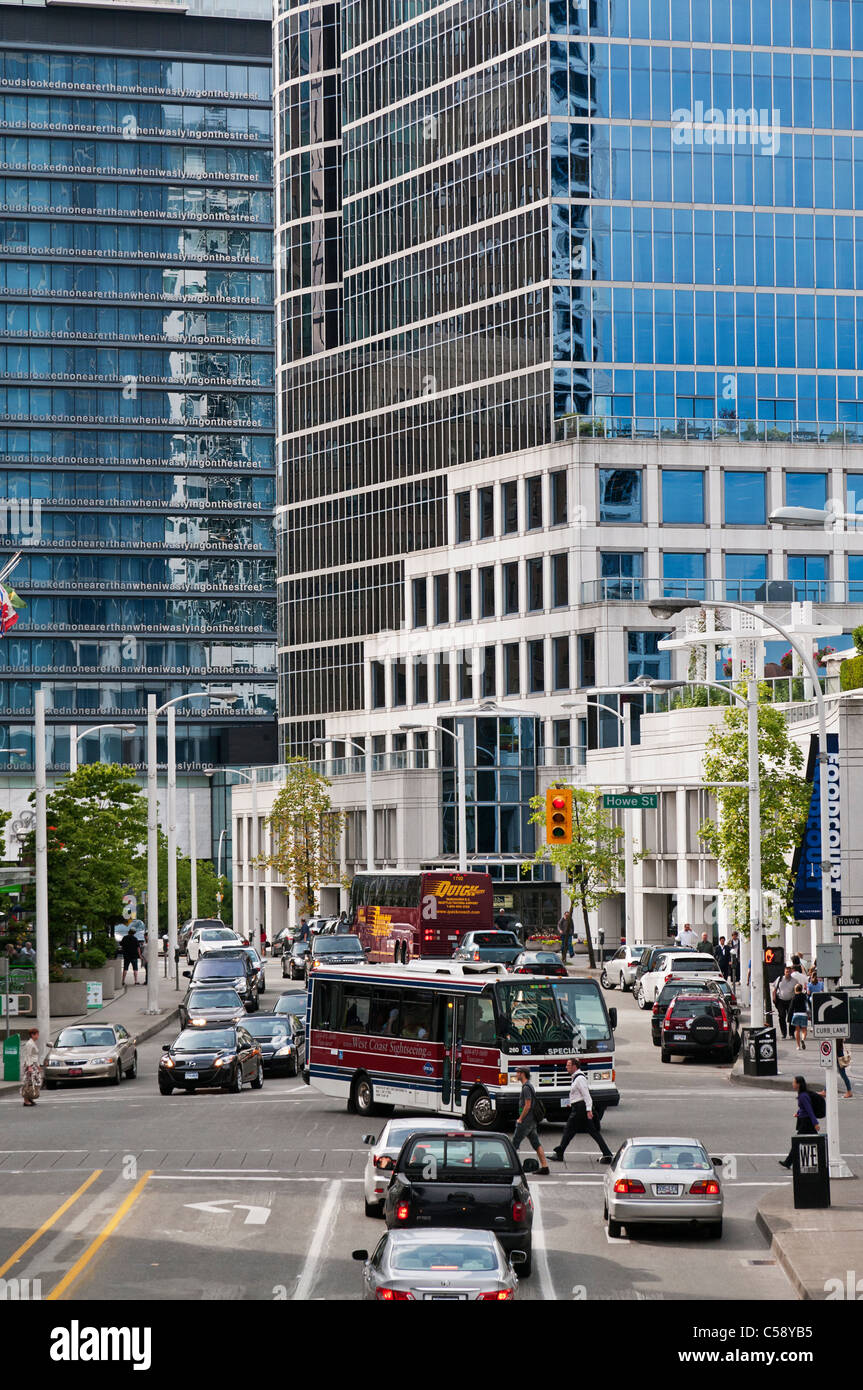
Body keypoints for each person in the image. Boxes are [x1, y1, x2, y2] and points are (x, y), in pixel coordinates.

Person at [549, 1058, 612, 1164]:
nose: (566, 1067)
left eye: (568, 1065)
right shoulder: (575, 1078)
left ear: (574, 1066)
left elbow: (586, 1095)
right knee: (588, 1131)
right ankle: (607, 1153)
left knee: (569, 1129)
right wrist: (572, 1102)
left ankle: (560, 1152)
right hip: (578, 1107)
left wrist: (588, 1110)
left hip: (580, 1109)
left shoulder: (580, 1079)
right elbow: (577, 1094)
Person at [511, 1068, 550, 1174]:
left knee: (514, 1144)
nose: (516, 1074)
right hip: (531, 1120)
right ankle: (545, 1167)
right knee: (536, 1143)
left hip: (526, 1121)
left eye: (518, 1073)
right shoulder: (528, 1086)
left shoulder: (526, 1088)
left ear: (522, 1074)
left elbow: (527, 1105)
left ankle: (511, 1168)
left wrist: (520, 1119)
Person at [778, 1076, 819, 1168]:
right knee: (815, 1141)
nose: (793, 1084)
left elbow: (809, 1110)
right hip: (805, 1121)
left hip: (806, 1123)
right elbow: (803, 1108)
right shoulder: (802, 1095)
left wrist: (815, 1123)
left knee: (798, 1142)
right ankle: (788, 1162)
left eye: (794, 1082)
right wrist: (798, 1113)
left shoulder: (803, 1096)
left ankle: (788, 1162)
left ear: (798, 1084)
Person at [772, 967, 797, 1041]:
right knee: (782, 1016)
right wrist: (774, 998)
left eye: (789, 972)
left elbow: (797, 991)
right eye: (786, 972)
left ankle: (791, 1033)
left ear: (791, 972)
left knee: (791, 1017)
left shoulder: (795, 981)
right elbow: (775, 989)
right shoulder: (779, 979)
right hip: (781, 1000)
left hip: (790, 1001)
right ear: (784, 972)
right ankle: (784, 1033)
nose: (788, 973)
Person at [20, 1028, 42, 1107]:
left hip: (34, 1065)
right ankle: (26, 1100)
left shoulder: (33, 1043)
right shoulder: (29, 1043)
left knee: (34, 1082)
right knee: (28, 1082)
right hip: (30, 1065)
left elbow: (35, 1056)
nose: (38, 1036)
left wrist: (38, 1065)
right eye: (37, 1034)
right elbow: (28, 1055)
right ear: (32, 1035)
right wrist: (29, 1066)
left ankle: (30, 1098)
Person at [790, 983, 809, 1050]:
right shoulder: (804, 996)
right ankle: (803, 1039)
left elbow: (791, 1008)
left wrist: (789, 1017)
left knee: (797, 1030)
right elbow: (807, 1005)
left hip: (796, 1014)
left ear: (795, 989)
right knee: (804, 1030)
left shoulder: (794, 997)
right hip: (803, 1014)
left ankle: (798, 1046)